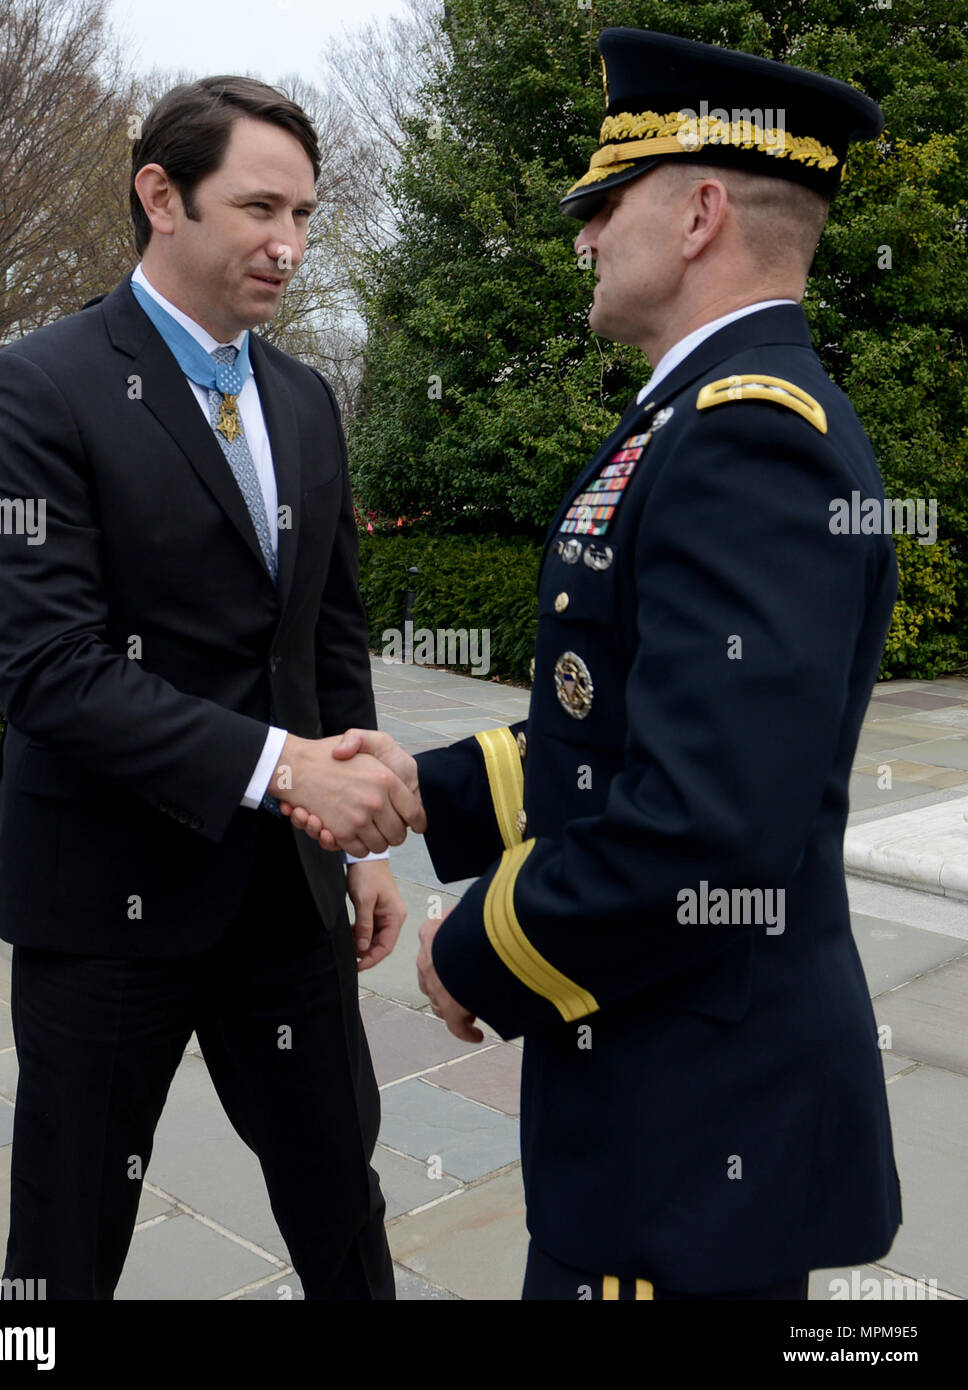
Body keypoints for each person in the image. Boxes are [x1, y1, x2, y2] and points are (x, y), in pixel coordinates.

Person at [295, 28, 902, 1301]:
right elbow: (619, 730)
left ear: (696, 212)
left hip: (696, 1123)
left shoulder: (750, 440)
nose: (582, 234)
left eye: (602, 201)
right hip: (660, 1096)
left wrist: (482, 950)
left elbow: (702, 823)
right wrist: (433, 785)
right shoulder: (695, 416)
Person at [0, 76, 425, 1300]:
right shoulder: (33, 387)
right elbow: (48, 671)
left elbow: (325, 636)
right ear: (158, 195)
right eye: (259, 206)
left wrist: (357, 832)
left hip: (287, 898)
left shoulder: (306, 398)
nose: (290, 242)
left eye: (307, 213)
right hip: (104, 903)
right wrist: (286, 771)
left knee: (343, 1211)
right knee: (62, 1251)